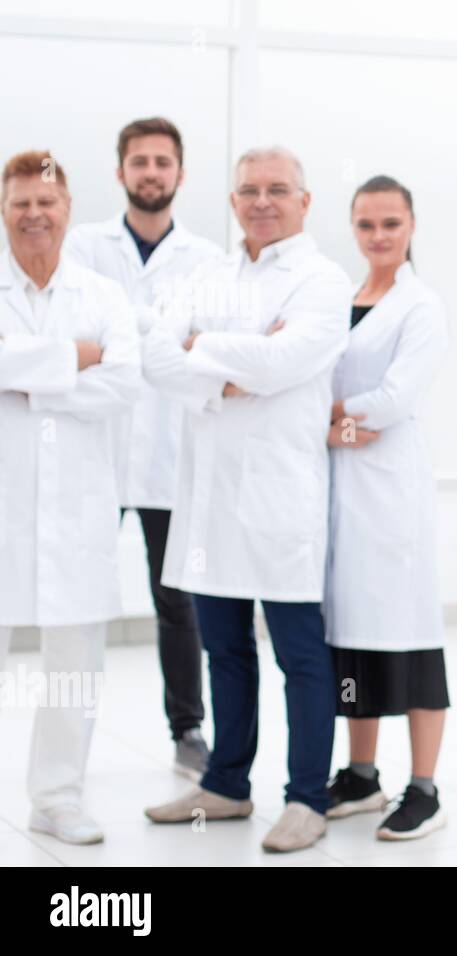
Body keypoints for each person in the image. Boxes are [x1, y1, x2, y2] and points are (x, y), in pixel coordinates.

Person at [141, 146, 351, 853]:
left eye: (277, 190)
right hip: (210, 500)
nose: (261, 202)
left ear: (304, 200)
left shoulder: (323, 280)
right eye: (248, 190)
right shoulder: (208, 273)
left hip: (278, 495)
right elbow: (156, 358)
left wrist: (209, 350)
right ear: (232, 200)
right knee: (225, 650)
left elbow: (286, 361)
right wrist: (229, 366)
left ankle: (308, 797)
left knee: (300, 654)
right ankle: (227, 786)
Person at [63, 117, 223, 781]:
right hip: (94, 449)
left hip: (167, 456)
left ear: (180, 174)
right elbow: (75, 337)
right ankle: (67, 741)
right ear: (121, 172)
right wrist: (157, 338)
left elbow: (203, 346)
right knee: (76, 598)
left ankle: (187, 727)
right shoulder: (82, 248)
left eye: (162, 162)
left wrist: (128, 337)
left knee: (176, 599)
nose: (151, 172)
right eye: (139, 162)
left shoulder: (208, 260)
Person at [0, 150, 141, 845]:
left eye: (45, 203)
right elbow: (96, 372)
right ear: (4, 210)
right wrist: (72, 357)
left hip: (78, 508)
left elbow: (125, 384)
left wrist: (20, 371)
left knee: (73, 663)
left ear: (67, 210)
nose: (33, 215)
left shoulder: (103, 296)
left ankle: (56, 795)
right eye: (21, 202)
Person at [321, 175, 452, 840]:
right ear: (352, 228)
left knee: (410, 635)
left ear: (411, 226)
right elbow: (321, 387)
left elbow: (395, 400)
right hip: (343, 487)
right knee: (351, 634)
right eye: (367, 225)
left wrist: (326, 420)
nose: (378, 237)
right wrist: (336, 424)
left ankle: (424, 786)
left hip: (393, 490)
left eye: (391, 225)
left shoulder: (420, 305)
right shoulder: (343, 297)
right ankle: (361, 774)